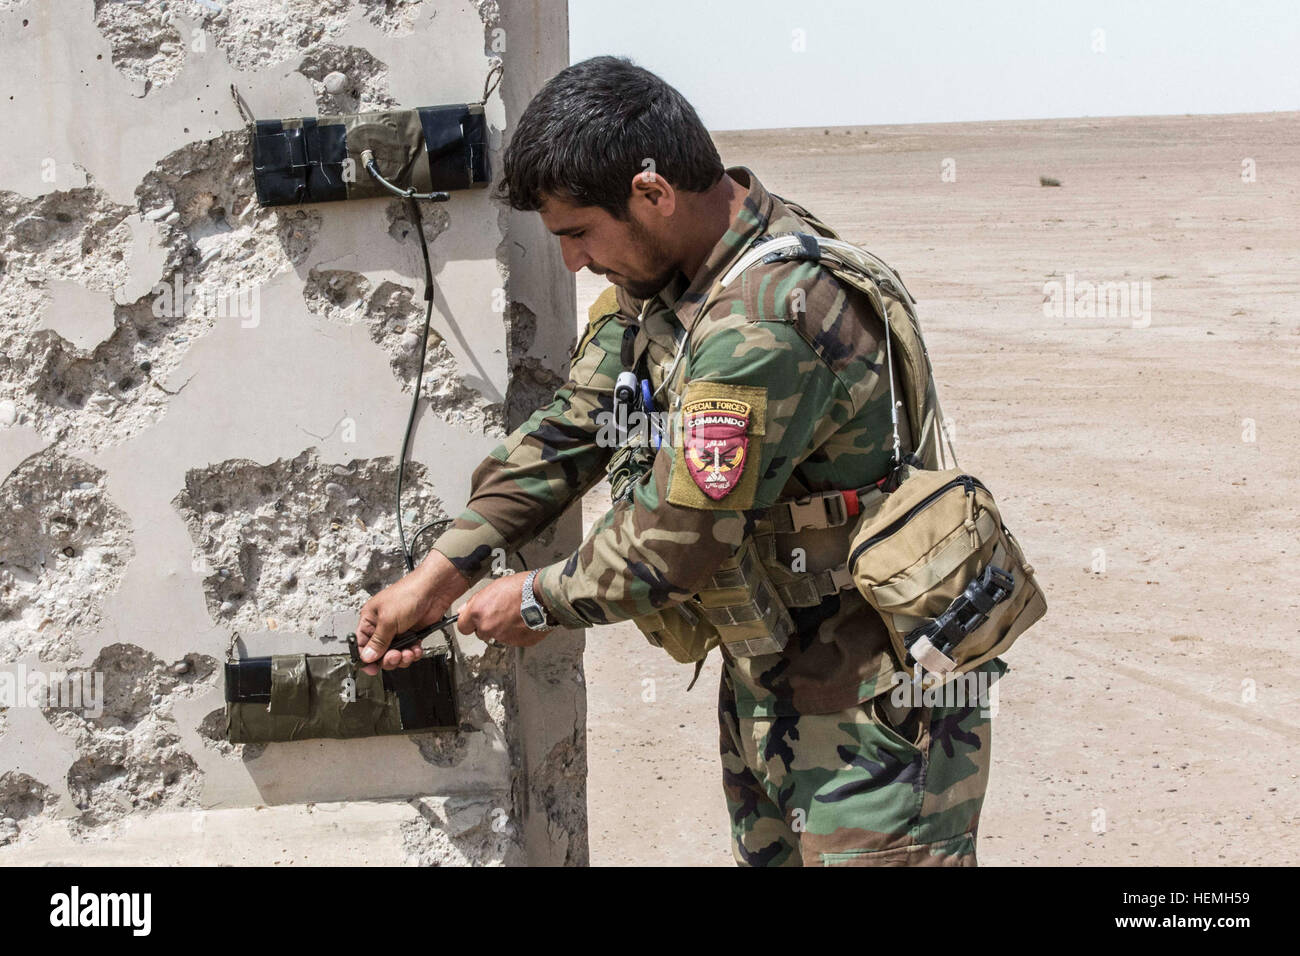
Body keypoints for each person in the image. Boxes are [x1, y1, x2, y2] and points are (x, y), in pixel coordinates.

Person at [354, 55, 1005, 867]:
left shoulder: (763, 323)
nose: (572, 263)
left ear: (653, 194)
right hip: (775, 680)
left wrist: (531, 600)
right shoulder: (670, 281)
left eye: (578, 234)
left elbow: (673, 543)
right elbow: (581, 423)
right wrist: (443, 570)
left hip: (874, 708)